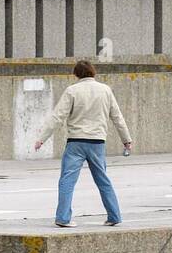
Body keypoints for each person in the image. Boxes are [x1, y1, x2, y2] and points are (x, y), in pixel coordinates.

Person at [33, 59, 132, 227]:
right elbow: (117, 118)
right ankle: (114, 216)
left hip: (76, 142)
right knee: (103, 180)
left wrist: (42, 138)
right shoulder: (105, 90)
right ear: (93, 72)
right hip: (97, 142)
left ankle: (63, 218)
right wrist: (126, 140)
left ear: (76, 74)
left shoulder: (72, 91)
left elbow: (58, 117)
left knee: (67, 181)